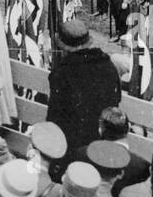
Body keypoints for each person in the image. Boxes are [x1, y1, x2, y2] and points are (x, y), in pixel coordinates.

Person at [46, 18, 120, 159]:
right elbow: (116, 101)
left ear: (63, 47)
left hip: (71, 147)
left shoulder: (62, 73)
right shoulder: (107, 65)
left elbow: (55, 116)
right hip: (102, 142)